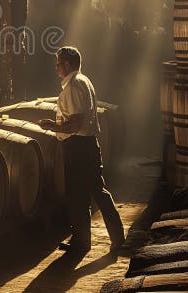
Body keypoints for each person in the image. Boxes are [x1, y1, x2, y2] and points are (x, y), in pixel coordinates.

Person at [39, 46, 124, 255]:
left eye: (58, 64)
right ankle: (89, 240)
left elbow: (75, 124)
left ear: (67, 64)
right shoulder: (82, 81)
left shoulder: (74, 86)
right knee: (90, 192)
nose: (56, 68)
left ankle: (91, 240)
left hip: (78, 146)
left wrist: (52, 126)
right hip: (86, 144)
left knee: (83, 194)